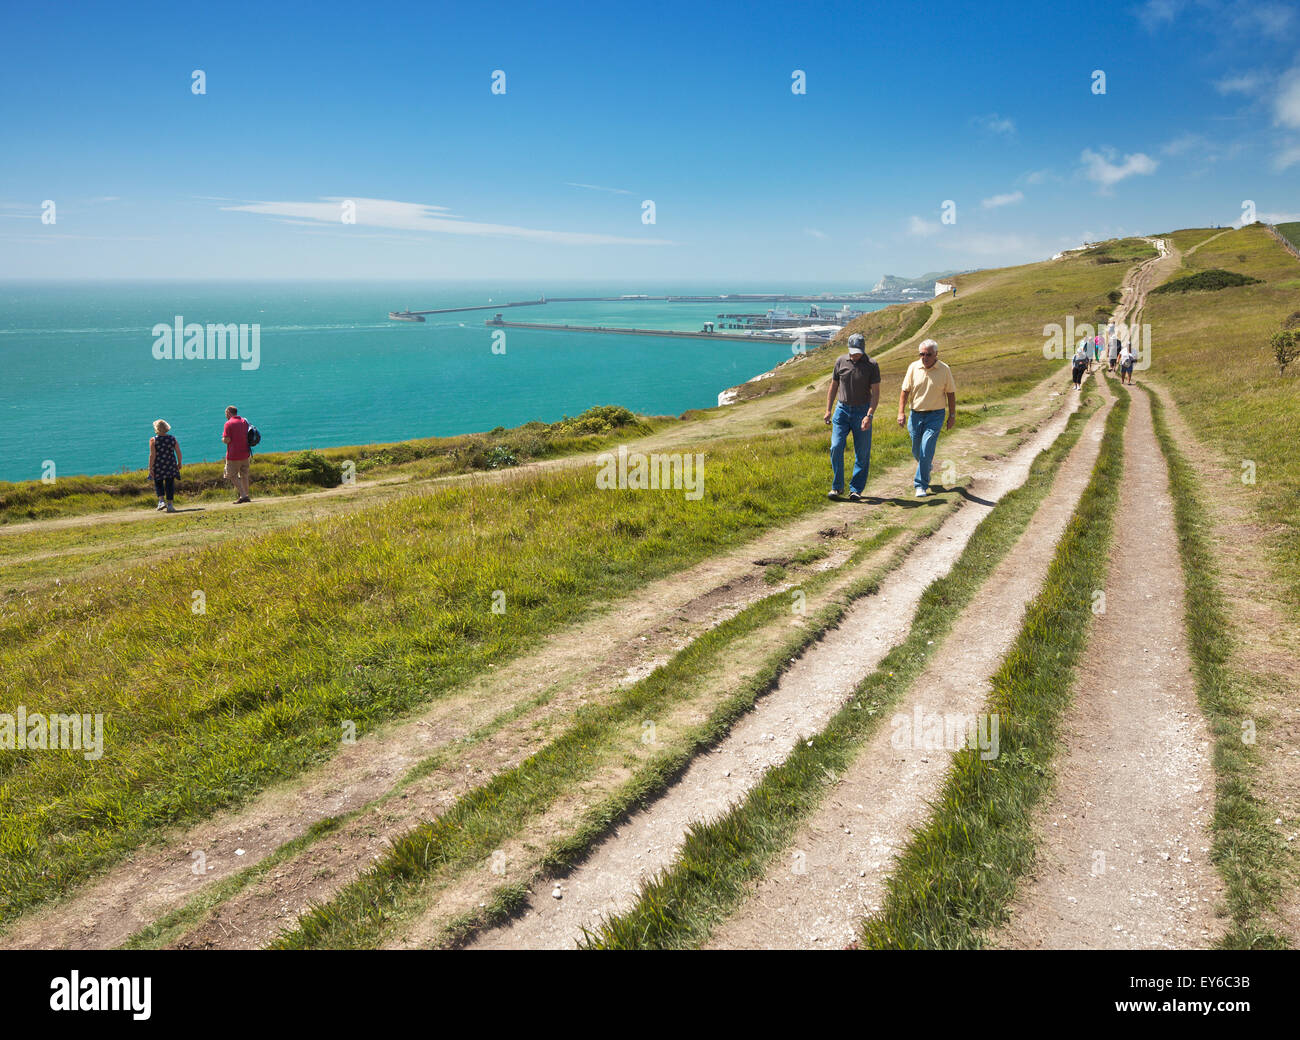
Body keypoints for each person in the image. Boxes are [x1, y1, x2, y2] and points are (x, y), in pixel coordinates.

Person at [823, 332, 881, 501]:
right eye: (852, 351)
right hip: (841, 410)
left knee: (862, 453)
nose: (855, 355)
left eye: (858, 352)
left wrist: (869, 415)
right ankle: (837, 487)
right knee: (836, 447)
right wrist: (828, 410)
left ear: (863, 349)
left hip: (862, 411)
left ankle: (856, 489)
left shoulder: (872, 365)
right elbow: (833, 386)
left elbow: (876, 394)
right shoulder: (841, 361)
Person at [897, 338, 956, 497]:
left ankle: (920, 485)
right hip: (915, 415)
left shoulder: (944, 369)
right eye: (922, 354)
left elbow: (950, 393)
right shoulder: (913, 367)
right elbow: (905, 392)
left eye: (928, 354)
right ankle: (926, 465)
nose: (925, 357)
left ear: (936, 354)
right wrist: (901, 412)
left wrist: (952, 415)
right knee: (917, 449)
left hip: (935, 415)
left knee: (926, 448)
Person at [148, 419, 182, 513]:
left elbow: (152, 455)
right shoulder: (172, 438)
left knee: (158, 483)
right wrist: (179, 462)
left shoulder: (153, 440)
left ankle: (161, 501)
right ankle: (170, 505)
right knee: (169, 484)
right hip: (170, 464)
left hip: (158, 465)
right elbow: (178, 451)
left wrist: (150, 468)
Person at [222, 405, 252, 503]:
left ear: (229, 413)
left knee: (231, 475)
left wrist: (223, 439)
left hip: (234, 454)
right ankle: (246, 495)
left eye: (226, 413)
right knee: (244, 475)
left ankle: (243, 495)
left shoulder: (228, 423)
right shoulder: (244, 421)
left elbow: (227, 439)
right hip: (246, 453)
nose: (225, 415)